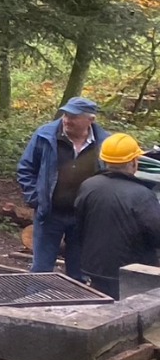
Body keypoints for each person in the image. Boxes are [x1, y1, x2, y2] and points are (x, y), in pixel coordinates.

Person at [17, 96, 110, 280]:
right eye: (66, 114)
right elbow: (26, 168)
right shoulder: (45, 135)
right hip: (50, 214)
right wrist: (36, 199)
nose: (67, 120)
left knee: (79, 271)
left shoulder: (105, 142)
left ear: (90, 120)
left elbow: (108, 177)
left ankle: (75, 306)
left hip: (83, 217)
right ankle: (36, 306)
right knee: (41, 269)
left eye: (74, 116)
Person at [74, 133, 160, 298]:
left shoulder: (88, 185)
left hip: (94, 268)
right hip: (131, 272)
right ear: (134, 162)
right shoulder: (142, 195)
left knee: (100, 312)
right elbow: (157, 235)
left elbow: (79, 226)